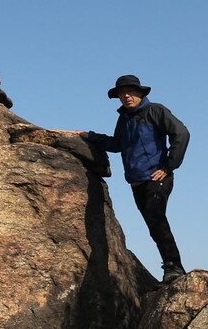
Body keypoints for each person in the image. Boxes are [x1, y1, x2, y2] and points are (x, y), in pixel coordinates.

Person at [74, 74, 190, 282]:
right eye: (121, 93)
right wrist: (89, 136)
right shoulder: (124, 119)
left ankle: (174, 267)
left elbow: (181, 134)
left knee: (156, 218)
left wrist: (168, 166)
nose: (126, 96)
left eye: (130, 92)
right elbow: (117, 145)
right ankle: (171, 268)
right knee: (153, 225)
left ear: (139, 92)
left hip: (157, 177)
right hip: (136, 181)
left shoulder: (156, 111)